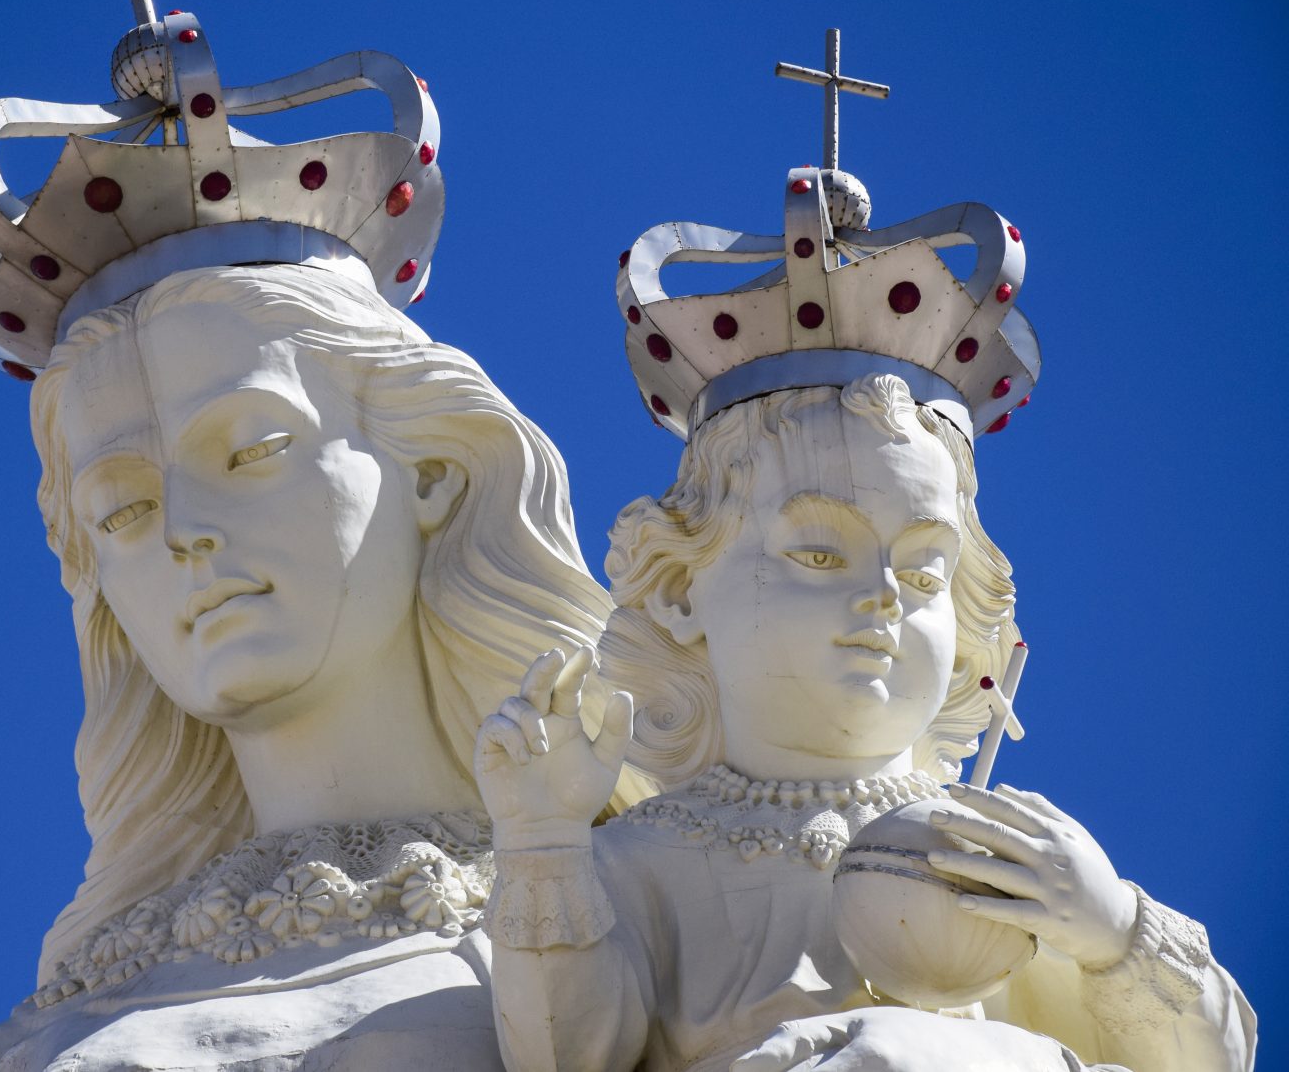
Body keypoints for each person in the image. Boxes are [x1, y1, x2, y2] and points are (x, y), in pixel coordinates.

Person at [0, 263, 646, 1072]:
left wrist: (545, 851)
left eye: (253, 450)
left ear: (433, 474)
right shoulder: (44, 1028)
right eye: (123, 510)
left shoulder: (650, 908)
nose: (182, 529)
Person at [475, 373, 1255, 1072]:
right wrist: (542, 841)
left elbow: (1210, 1060)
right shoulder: (634, 860)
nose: (884, 594)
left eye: (922, 573)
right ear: (681, 588)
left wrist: (1113, 929)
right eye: (821, 555)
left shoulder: (1006, 855)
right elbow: (564, 1058)